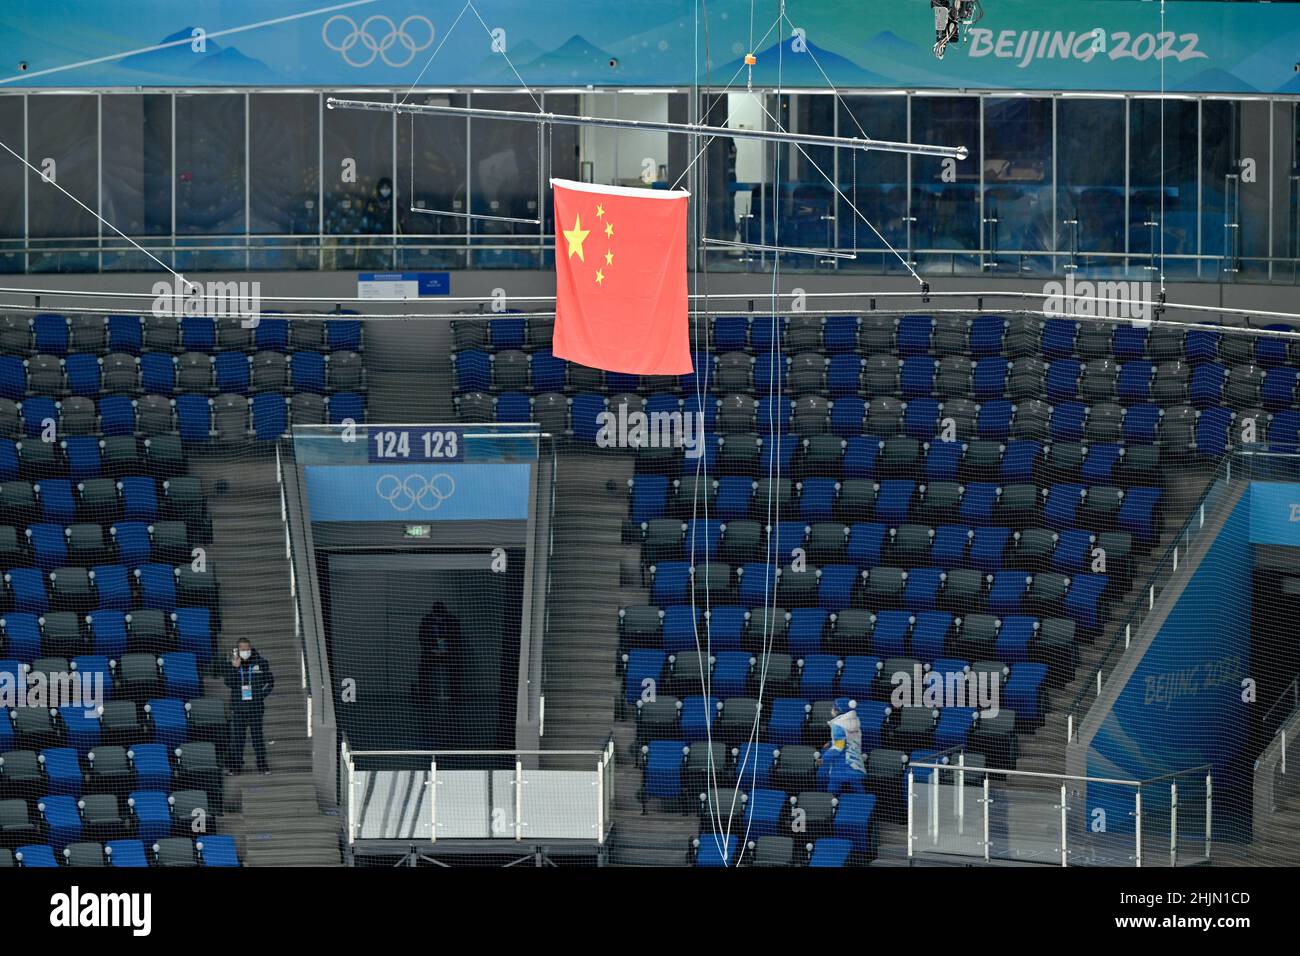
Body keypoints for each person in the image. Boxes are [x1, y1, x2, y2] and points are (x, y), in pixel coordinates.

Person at [225, 639, 274, 774]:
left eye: (247, 649)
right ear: (238, 650)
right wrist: (235, 668)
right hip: (239, 708)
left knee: (257, 737)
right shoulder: (231, 662)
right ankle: (236, 767)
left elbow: (270, 682)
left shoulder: (261, 662)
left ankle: (262, 766)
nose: (245, 651)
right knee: (238, 739)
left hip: (256, 707)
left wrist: (260, 695)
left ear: (251, 648)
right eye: (242, 649)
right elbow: (229, 683)